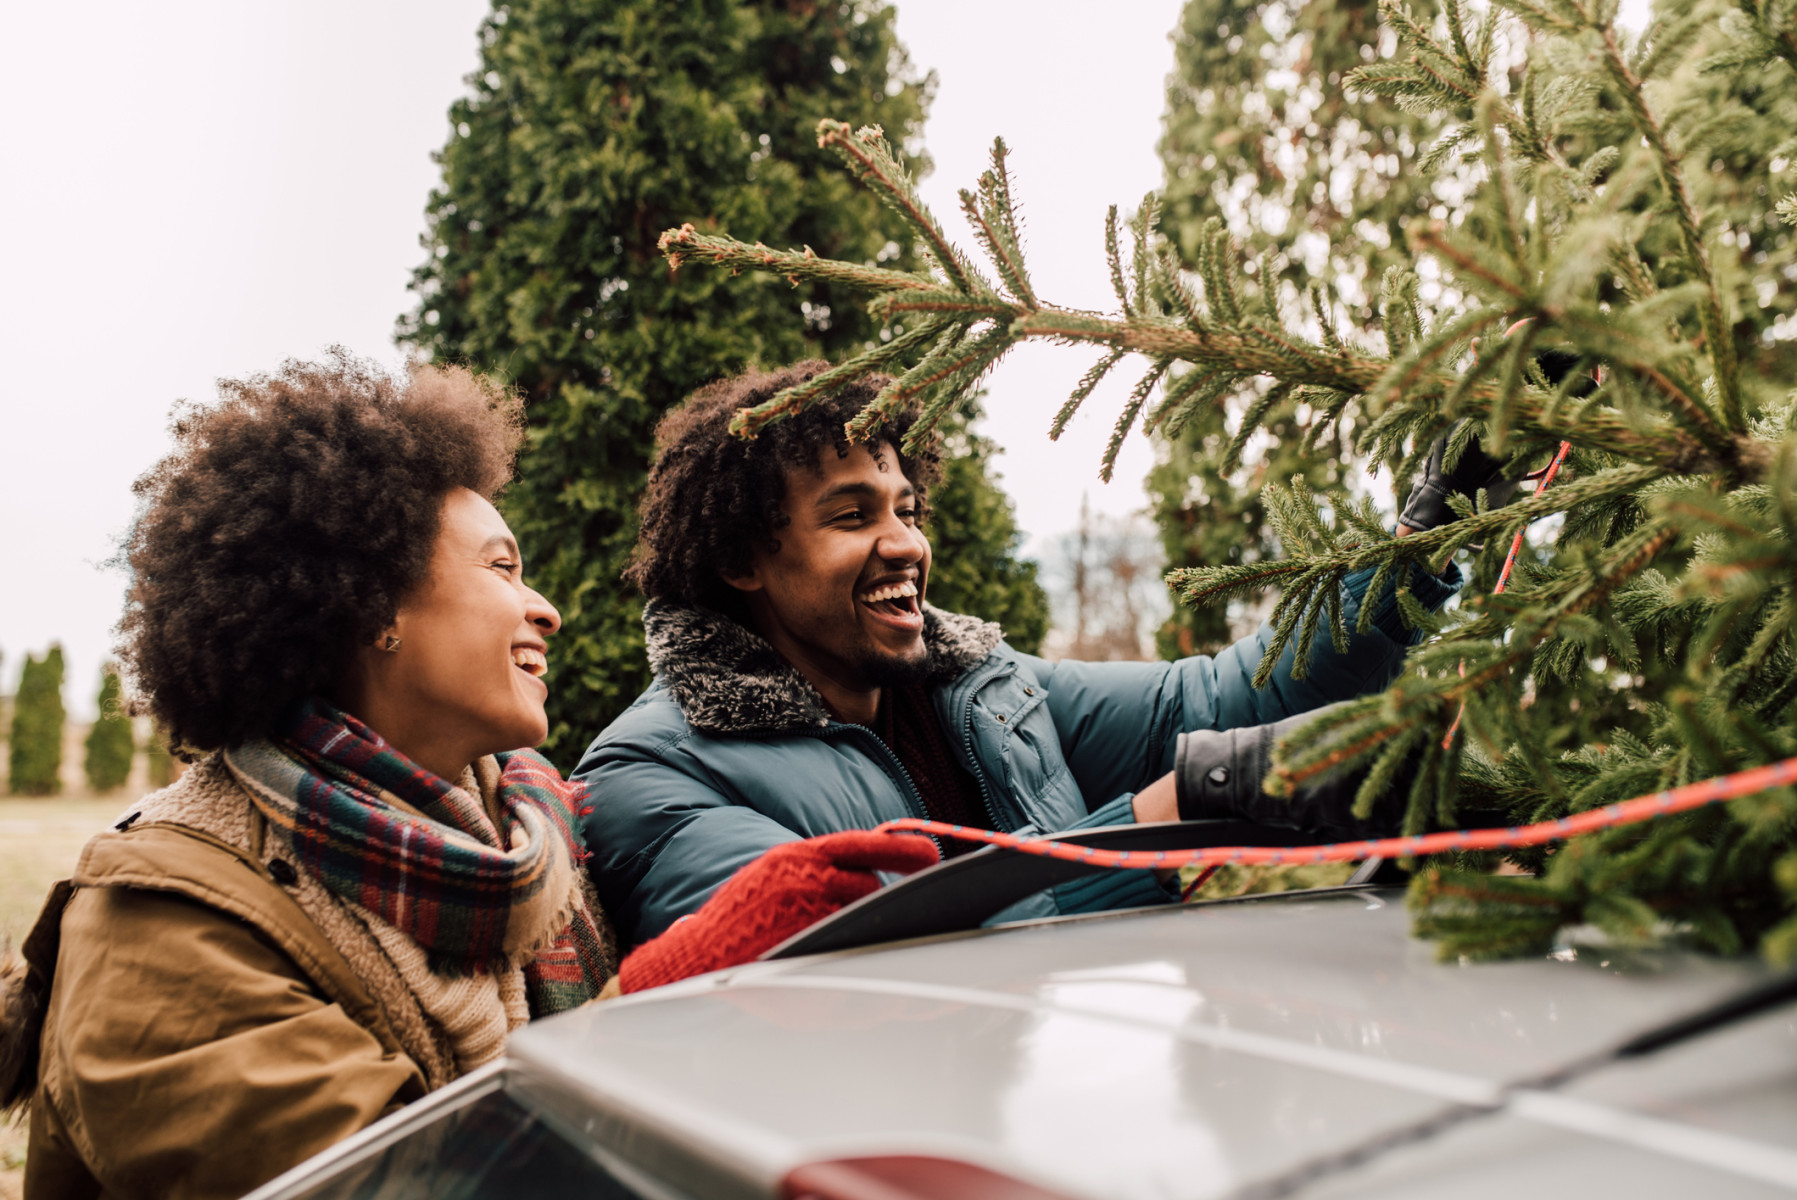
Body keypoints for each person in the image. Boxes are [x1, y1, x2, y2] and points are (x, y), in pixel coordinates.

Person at [0, 354, 936, 1200]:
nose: (548, 608)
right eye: (502, 567)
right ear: (372, 610)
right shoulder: (167, 921)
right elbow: (401, 1182)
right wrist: (666, 996)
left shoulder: (533, 838)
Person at [575, 362, 1472, 948]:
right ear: (739, 561)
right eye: (852, 516)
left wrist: (1433, 527)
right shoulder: (653, 769)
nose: (903, 545)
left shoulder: (983, 685)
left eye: (907, 510)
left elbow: (1213, 701)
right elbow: (856, 960)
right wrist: (1162, 814)